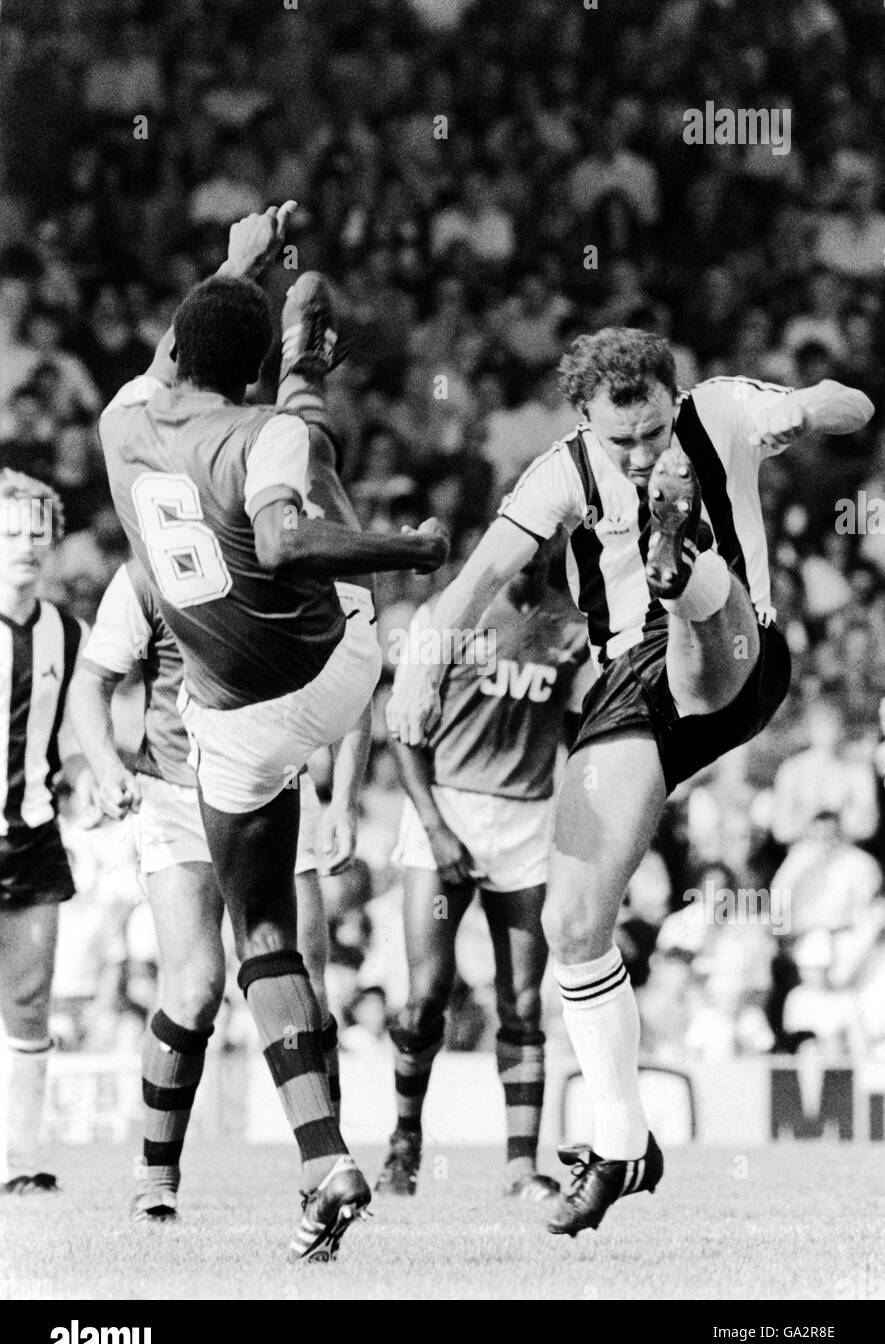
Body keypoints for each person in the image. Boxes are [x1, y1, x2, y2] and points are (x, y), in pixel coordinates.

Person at [387, 326, 873, 1238]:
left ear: (670, 396)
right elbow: (478, 576)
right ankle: (621, 1147)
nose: (645, 448)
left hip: (737, 650)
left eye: (655, 430)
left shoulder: (723, 409)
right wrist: (421, 659)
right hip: (627, 687)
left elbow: (856, 407)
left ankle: (682, 564)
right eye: (625, 441)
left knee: (698, 622)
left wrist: (806, 412)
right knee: (573, 926)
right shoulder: (554, 475)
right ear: (581, 418)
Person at [98, 205, 449, 1261]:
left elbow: (173, 358)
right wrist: (409, 546)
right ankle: (324, 1160)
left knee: (258, 936)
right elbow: (292, 538)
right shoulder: (266, 435)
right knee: (309, 453)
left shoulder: (121, 424)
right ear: (248, 373)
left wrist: (236, 261)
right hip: (336, 672)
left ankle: (307, 1154)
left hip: (233, 721)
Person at [68, 557, 369, 1221]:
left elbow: (355, 690)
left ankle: (322, 1171)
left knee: (307, 986)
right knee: (196, 988)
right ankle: (156, 1177)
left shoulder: (293, 562)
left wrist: (343, 798)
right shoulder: (148, 570)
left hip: (272, 787)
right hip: (174, 796)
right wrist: (104, 762)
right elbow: (90, 684)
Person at [377, 540, 589, 1201]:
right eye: (520, 541)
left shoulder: (574, 629)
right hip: (448, 807)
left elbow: (579, 737)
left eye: (543, 541)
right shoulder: (450, 612)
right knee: (425, 996)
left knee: (524, 1001)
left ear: (557, 544)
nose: (531, 553)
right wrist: (436, 827)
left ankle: (520, 1168)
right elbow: (403, 728)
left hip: (526, 822)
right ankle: (403, 1144)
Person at [0, 470, 85, 1195]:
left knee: (29, 998)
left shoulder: (67, 630)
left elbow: (78, 734)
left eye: (35, 532)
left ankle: (20, 1163)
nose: (24, 546)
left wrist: (99, 776)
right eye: (8, 534)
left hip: (29, 836)